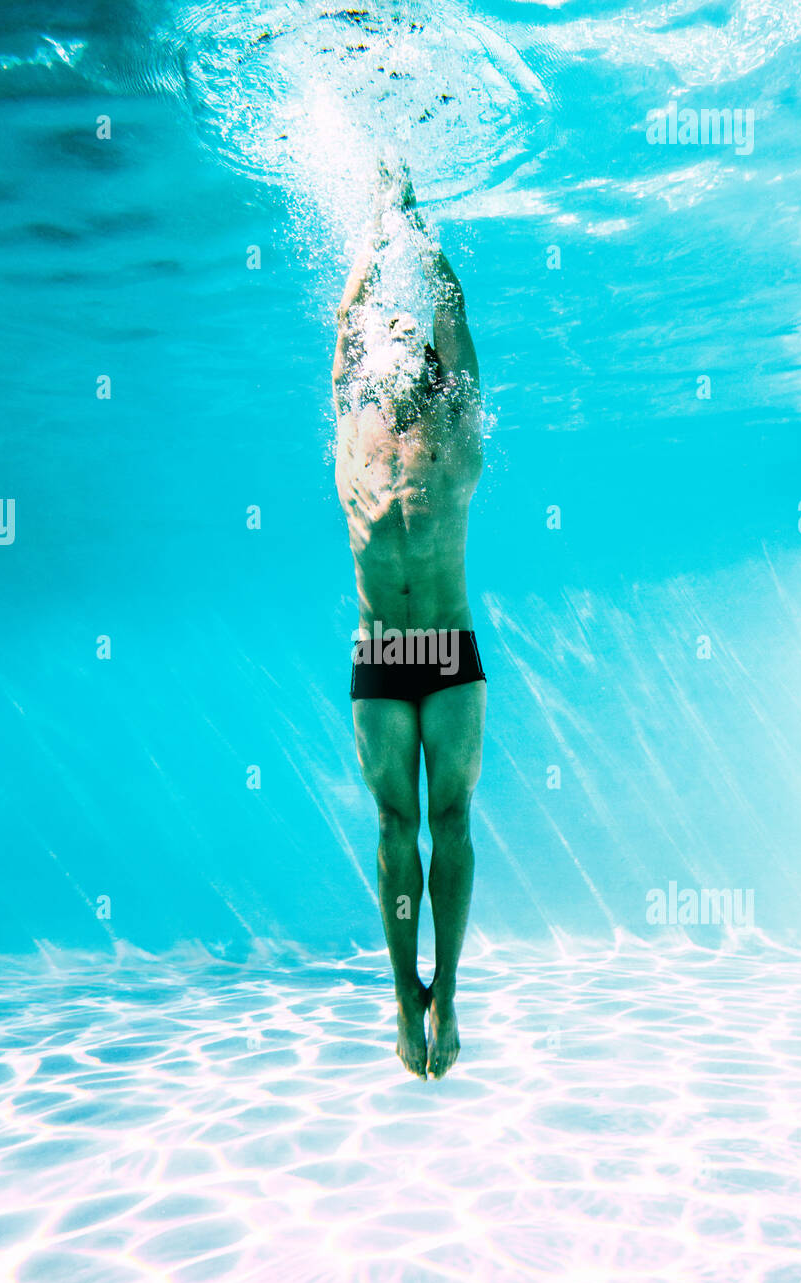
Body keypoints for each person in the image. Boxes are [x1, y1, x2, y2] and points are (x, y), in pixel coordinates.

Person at [332, 160, 486, 1080]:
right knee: (397, 826)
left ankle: (451, 993)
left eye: (408, 328)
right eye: (386, 331)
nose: (395, 331)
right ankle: (402, 999)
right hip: (383, 653)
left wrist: (418, 235)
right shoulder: (349, 426)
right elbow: (346, 325)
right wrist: (376, 228)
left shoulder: (459, 424)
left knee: (453, 818)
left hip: (450, 648)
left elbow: (455, 318)